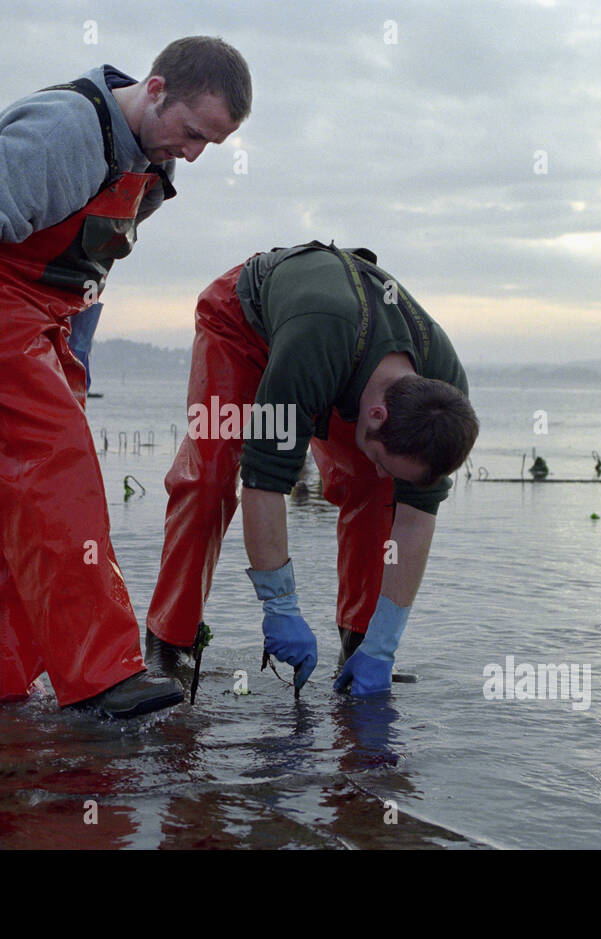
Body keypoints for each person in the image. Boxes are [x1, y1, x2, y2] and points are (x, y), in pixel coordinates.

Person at [0, 37, 251, 719]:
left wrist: (73, 364)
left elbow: (91, 269)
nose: (195, 153)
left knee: (0, 501)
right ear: (154, 90)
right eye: (193, 131)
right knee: (59, 468)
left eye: (213, 143)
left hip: (44, 306)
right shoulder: (66, 131)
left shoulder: (148, 162)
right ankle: (101, 677)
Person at [144, 241, 479, 698]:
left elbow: (417, 521)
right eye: (383, 455)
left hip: (339, 353)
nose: (382, 466)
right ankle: (169, 644)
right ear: (377, 415)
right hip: (245, 328)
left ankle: (360, 644)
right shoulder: (311, 349)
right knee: (209, 478)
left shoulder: (443, 398)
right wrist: (280, 606)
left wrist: (384, 644)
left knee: (375, 486)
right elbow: (264, 483)